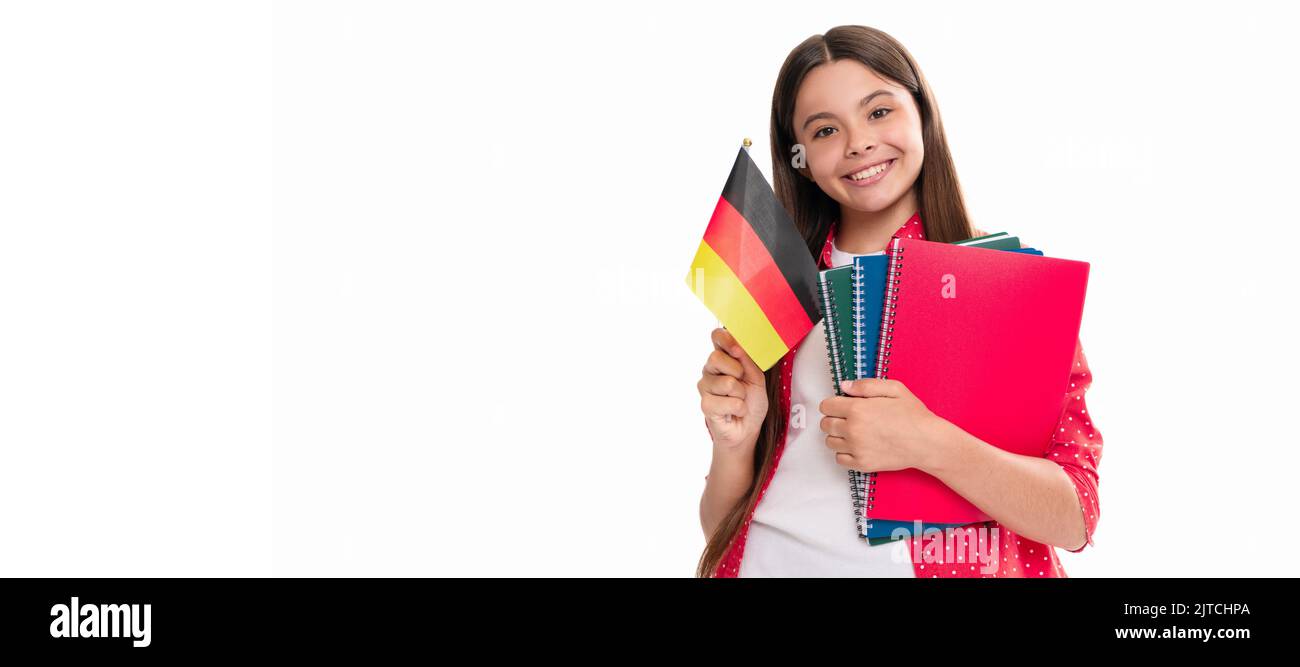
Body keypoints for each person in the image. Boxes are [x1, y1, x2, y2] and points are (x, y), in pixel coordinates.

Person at [696, 25, 1102, 578]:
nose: (858, 142)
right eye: (824, 130)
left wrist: (928, 443)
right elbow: (723, 528)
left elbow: (1075, 515)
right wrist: (734, 445)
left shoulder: (1006, 283)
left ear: (922, 115)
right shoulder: (772, 289)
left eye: (879, 112)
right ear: (799, 158)